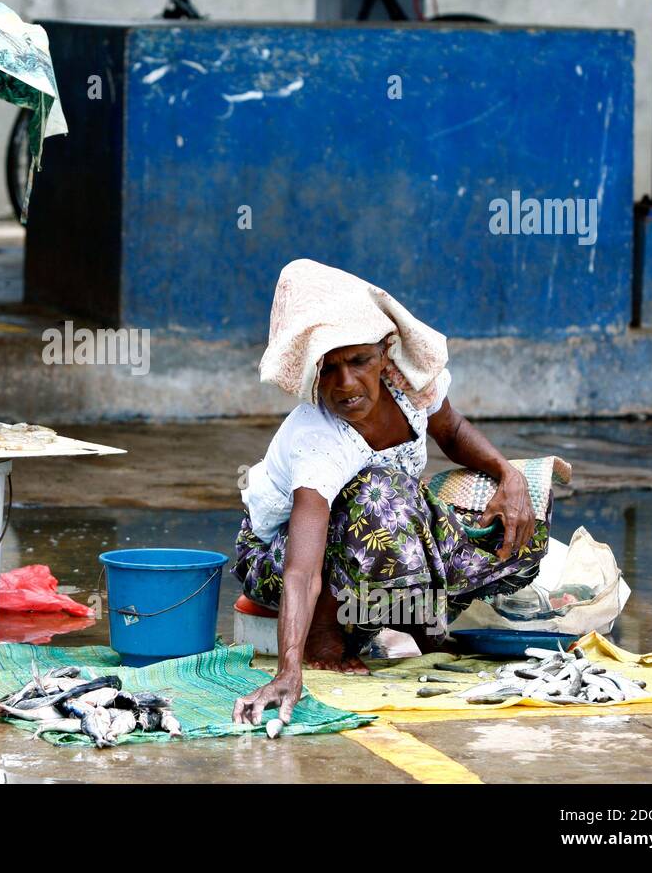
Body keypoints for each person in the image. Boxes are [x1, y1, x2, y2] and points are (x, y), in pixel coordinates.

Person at [231, 259, 551, 727]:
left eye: (359, 361)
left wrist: (510, 477)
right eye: (330, 368)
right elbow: (301, 570)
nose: (346, 384)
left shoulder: (411, 387)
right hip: (277, 557)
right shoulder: (318, 439)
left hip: (380, 534)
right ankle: (329, 631)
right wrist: (289, 668)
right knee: (382, 496)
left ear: (385, 353)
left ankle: (414, 618)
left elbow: (453, 430)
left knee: (525, 529)